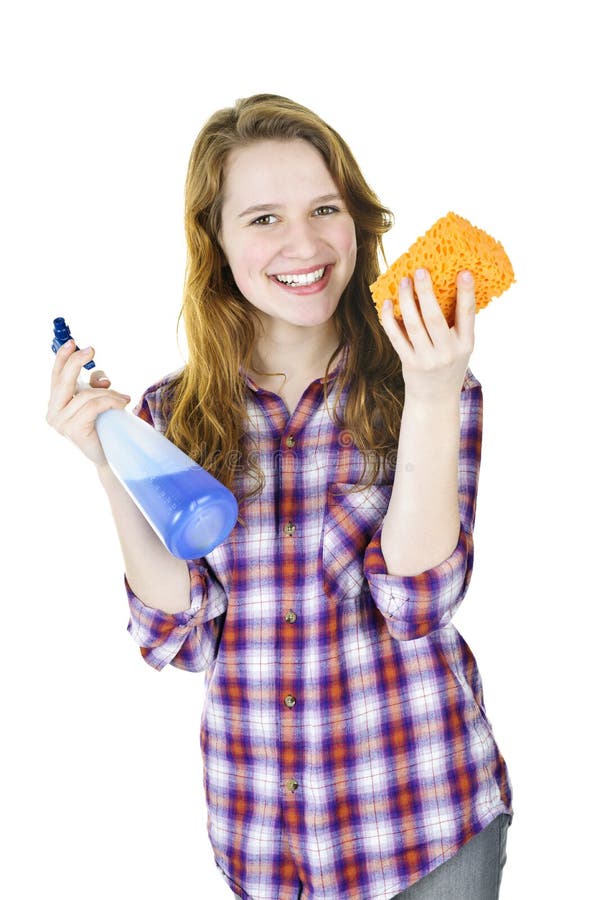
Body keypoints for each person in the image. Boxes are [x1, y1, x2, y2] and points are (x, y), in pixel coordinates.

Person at [46, 94, 513, 899]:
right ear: (216, 241)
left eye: (325, 208)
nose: (304, 244)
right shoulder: (169, 415)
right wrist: (108, 463)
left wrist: (431, 395)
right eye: (263, 218)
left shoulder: (430, 385)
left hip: (427, 825)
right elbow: (177, 639)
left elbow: (418, 605)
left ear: (357, 221)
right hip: (262, 837)